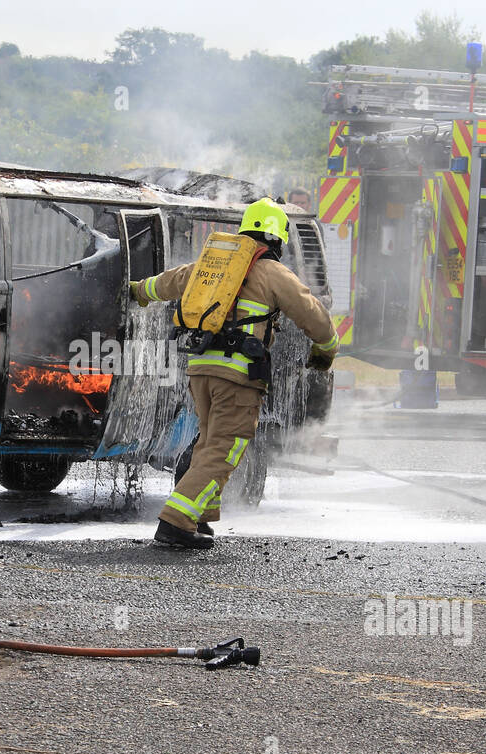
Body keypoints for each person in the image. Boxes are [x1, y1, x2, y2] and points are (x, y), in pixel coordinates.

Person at [130, 198, 338, 549]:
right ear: (277, 238)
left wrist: (138, 291)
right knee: (225, 448)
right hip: (238, 375)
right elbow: (311, 312)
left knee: (209, 441)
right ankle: (176, 523)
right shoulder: (273, 273)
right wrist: (326, 347)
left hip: (200, 370)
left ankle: (198, 517)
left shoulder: (214, 264)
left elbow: (170, 281)